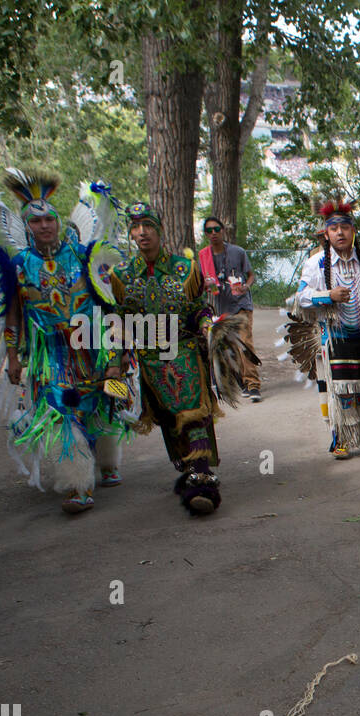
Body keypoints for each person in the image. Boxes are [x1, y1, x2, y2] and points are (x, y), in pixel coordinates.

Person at [0, 170, 129, 513]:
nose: (43, 226)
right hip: (49, 356)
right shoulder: (19, 266)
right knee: (58, 412)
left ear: (59, 220)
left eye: (49, 218)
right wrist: (13, 357)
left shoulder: (85, 255)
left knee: (101, 405)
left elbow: (109, 307)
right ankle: (77, 484)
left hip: (92, 349)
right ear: (27, 226)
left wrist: (117, 353)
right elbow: (13, 314)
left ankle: (107, 461)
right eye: (36, 221)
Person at [110, 202, 223, 514]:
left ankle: (202, 482)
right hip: (148, 361)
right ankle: (188, 471)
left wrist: (206, 325)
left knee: (193, 413)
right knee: (167, 419)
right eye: (135, 226)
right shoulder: (121, 276)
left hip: (183, 352)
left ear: (159, 229)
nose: (142, 232)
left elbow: (200, 305)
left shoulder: (184, 269)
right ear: (130, 233)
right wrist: (115, 359)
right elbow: (118, 320)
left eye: (147, 225)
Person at [289, 198, 360, 460]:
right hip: (334, 336)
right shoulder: (316, 264)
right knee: (341, 390)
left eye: (345, 227)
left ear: (352, 231)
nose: (340, 233)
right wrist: (328, 295)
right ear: (326, 233)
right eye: (334, 229)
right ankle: (341, 439)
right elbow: (300, 298)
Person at [199, 216, 260, 401]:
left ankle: (253, 384)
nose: (214, 233)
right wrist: (205, 286)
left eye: (216, 229)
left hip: (241, 304)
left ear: (223, 230)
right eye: (209, 230)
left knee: (245, 343)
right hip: (221, 306)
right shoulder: (203, 256)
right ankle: (239, 380)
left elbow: (251, 276)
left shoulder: (238, 252)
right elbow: (200, 283)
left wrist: (246, 287)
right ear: (205, 234)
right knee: (229, 347)